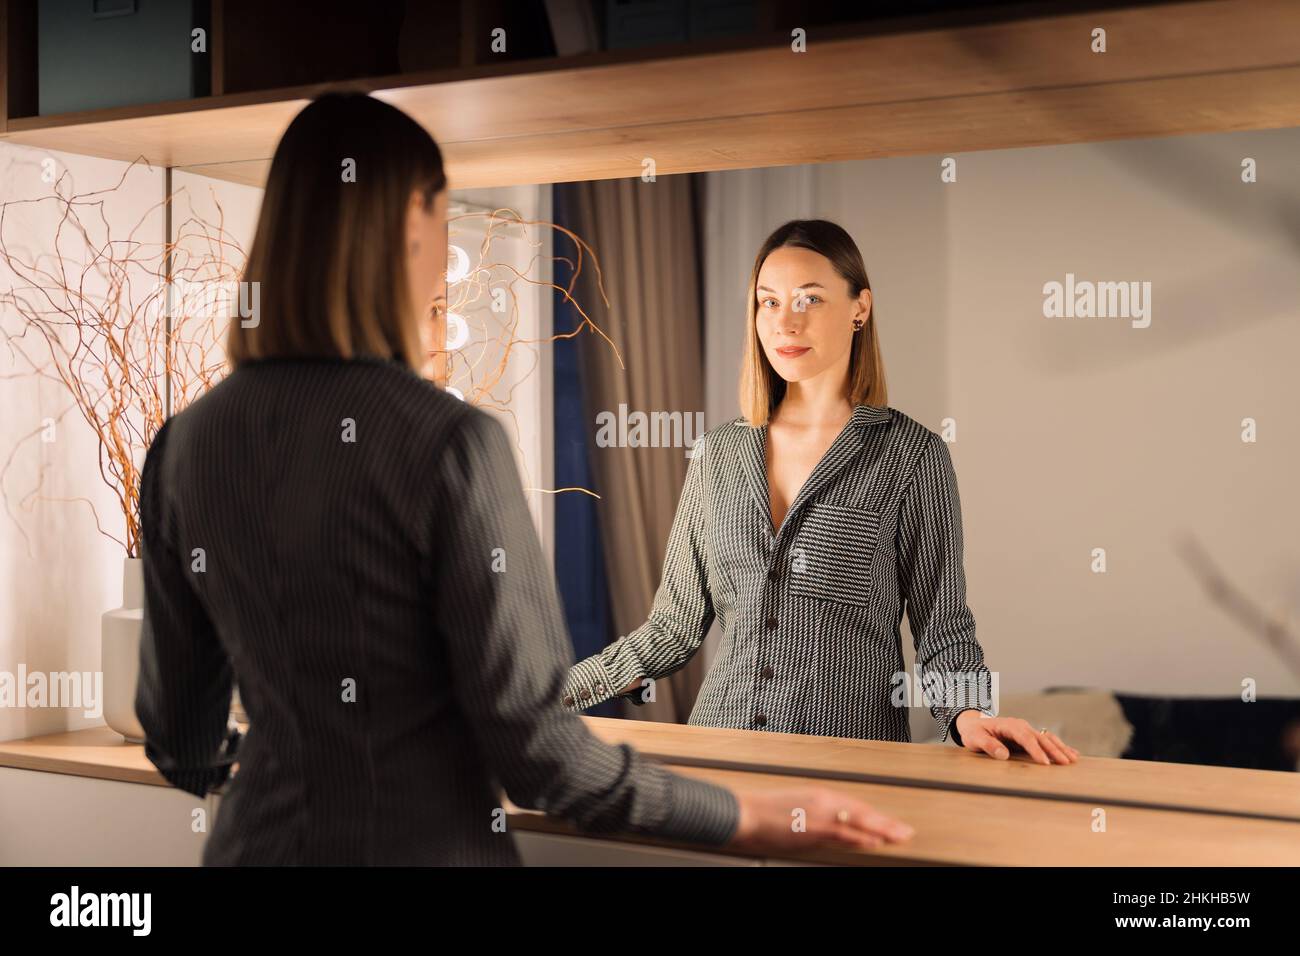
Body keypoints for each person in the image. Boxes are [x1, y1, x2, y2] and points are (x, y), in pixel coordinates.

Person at [134, 93, 915, 865]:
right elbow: (539, 753)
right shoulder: (448, 443)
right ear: (411, 222)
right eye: (444, 222)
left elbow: (181, 742)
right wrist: (738, 816)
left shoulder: (186, 446)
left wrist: (302, 774)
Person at [563, 220, 1080, 767]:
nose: (785, 321)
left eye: (809, 299)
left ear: (860, 307)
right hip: (719, 761)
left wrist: (971, 714)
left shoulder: (912, 456)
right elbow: (673, 628)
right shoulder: (716, 455)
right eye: (769, 302)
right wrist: (553, 693)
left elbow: (942, 624)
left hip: (854, 766)